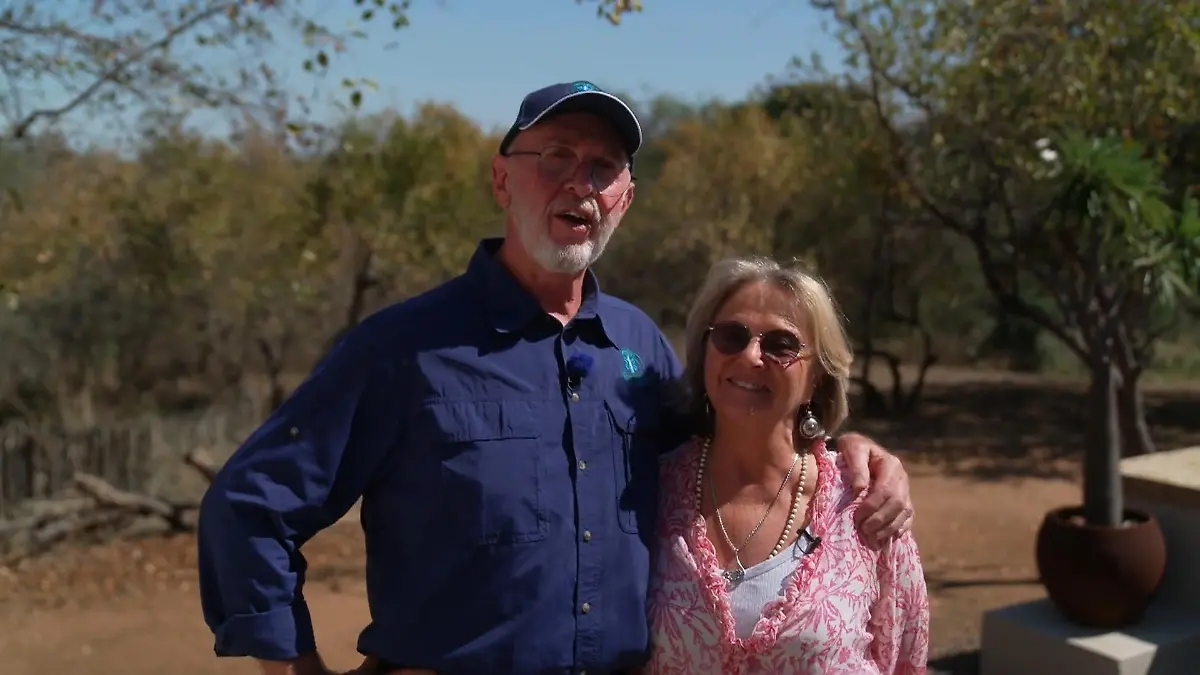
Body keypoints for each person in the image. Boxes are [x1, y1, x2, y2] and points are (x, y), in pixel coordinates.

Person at [196, 81, 917, 675]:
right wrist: (295, 666)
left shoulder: (637, 345)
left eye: (604, 166)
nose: (581, 182)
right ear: (501, 179)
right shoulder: (401, 349)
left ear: (625, 198)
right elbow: (249, 506)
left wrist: (852, 453)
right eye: (556, 157)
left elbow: (740, 436)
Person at [640, 257, 929, 675]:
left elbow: (905, 661)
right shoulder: (651, 491)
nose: (750, 356)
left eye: (781, 344)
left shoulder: (866, 506)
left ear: (817, 377)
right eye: (731, 336)